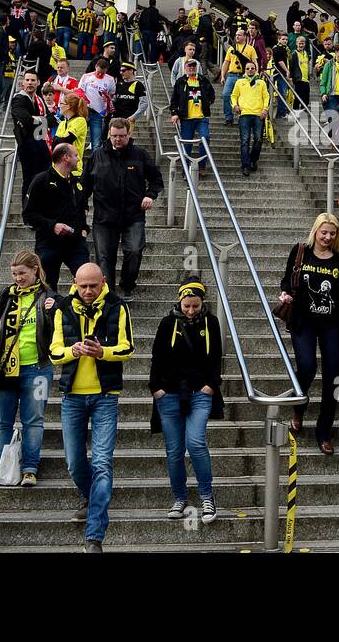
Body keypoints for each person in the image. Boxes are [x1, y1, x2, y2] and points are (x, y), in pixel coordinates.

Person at [50, 262, 135, 552]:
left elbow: (127, 348)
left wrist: (103, 352)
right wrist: (72, 351)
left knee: (102, 462)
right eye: (82, 285)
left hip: (105, 396)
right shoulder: (63, 307)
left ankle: (94, 536)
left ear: (103, 283)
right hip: (72, 396)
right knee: (75, 463)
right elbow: (53, 351)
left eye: (93, 286)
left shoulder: (117, 306)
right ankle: (94, 497)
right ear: (75, 282)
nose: (87, 291)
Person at [0, 251, 58, 488]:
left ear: (35, 270)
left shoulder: (49, 296)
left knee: (34, 420)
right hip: (6, 368)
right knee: (1, 421)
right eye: (14, 274)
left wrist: (56, 309)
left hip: (39, 367)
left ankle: (30, 469)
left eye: (22, 273)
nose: (18, 278)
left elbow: (64, 323)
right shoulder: (6, 294)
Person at [150, 278, 223, 523]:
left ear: (202, 303)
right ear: (179, 302)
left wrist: (211, 386)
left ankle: (206, 496)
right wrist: (156, 388)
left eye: (195, 306)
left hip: (199, 393)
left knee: (196, 443)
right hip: (169, 394)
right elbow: (157, 356)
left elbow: (216, 356)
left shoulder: (210, 322)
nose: (190, 310)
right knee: (174, 451)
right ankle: (179, 497)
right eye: (186, 306)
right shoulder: (167, 323)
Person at [280, 213, 339, 455]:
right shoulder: (301, 251)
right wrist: (285, 293)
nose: (327, 237)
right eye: (324, 232)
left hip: (333, 324)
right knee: (307, 367)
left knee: (333, 377)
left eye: (332, 233)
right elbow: (287, 280)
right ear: (316, 231)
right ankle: (299, 406)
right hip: (304, 321)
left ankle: (324, 431)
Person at [85, 118, 161, 301]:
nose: (117, 140)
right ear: (109, 135)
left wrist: (150, 195)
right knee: (104, 257)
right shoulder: (97, 155)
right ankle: (108, 294)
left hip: (133, 215)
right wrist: (81, 207)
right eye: (114, 136)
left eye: (121, 136)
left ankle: (127, 285)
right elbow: (86, 184)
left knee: (134, 250)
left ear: (129, 134)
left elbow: (156, 179)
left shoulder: (140, 155)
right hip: (104, 217)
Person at [23, 142, 91, 291]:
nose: (79, 159)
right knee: (47, 287)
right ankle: (50, 313)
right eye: (75, 155)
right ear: (65, 157)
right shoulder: (41, 180)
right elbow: (28, 215)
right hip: (49, 244)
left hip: (76, 243)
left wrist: (84, 229)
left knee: (87, 279)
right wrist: (53, 225)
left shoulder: (76, 182)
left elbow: (82, 208)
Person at [12, 70, 53, 197]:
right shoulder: (19, 99)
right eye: (27, 80)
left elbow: (51, 121)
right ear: (23, 82)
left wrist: (36, 119)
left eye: (33, 80)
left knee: (44, 180)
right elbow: (25, 119)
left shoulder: (40, 100)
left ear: (38, 82)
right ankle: (27, 211)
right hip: (27, 146)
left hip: (42, 145)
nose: (30, 83)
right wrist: (42, 119)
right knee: (30, 181)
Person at [170, 58, 215, 175]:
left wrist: (207, 103)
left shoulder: (203, 80)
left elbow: (212, 94)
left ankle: (201, 166)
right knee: (186, 144)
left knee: (205, 138)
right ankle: (186, 168)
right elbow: (174, 100)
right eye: (189, 66)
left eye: (193, 66)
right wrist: (174, 113)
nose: (191, 68)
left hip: (201, 118)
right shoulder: (180, 81)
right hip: (186, 119)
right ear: (185, 68)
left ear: (197, 68)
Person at [231, 59, 270, 177]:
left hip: (258, 114)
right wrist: (235, 105)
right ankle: (245, 165)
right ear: (244, 70)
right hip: (244, 114)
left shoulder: (261, 82)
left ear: (256, 69)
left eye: (252, 68)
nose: (250, 70)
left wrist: (265, 109)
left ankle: (253, 159)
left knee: (258, 139)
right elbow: (233, 95)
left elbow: (266, 96)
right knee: (245, 141)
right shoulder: (240, 82)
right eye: (247, 68)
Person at [220, 29, 259, 125]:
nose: (237, 37)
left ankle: (243, 117)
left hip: (244, 76)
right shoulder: (231, 48)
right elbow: (226, 63)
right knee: (226, 95)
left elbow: (255, 62)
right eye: (236, 35)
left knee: (244, 97)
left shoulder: (250, 49)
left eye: (239, 35)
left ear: (245, 36)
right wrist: (222, 76)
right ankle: (228, 117)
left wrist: (256, 73)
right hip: (232, 75)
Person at [80, 58, 117, 151]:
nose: (100, 74)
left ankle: (95, 164)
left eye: (103, 73)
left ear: (106, 70)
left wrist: (108, 97)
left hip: (98, 113)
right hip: (85, 111)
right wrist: (84, 100)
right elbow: (79, 91)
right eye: (98, 72)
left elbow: (113, 95)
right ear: (96, 67)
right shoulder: (86, 76)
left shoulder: (110, 79)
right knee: (78, 138)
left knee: (96, 143)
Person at [54, 92, 89, 177]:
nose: (59, 106)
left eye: (61, 103)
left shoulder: (80, 121)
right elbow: (55, 144)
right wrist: (59, 141)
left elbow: (66, 141)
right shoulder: (62, 123)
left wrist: (60, 140)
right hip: (58, 169)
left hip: (73, 169)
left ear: (68, 106)